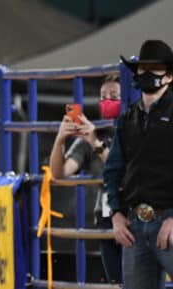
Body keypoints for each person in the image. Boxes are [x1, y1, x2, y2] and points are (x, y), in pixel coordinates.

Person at [105, 39, 173, 289]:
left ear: (169, 76)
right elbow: (113, 170)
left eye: (154, 68)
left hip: (167, 219)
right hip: (135, 222)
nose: (147, 74)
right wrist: (116, 213)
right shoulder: (127, 119)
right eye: (143, 68)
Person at [49, 76, 122, 283]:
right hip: (107, 217)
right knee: (116, 282)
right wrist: (60, 138)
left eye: (114, 96)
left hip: (138, 215)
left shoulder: (134, 129)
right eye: (103, 97)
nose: (107, 101)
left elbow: (125, 169)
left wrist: (94, 141)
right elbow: (60, 171)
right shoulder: (94, 132)